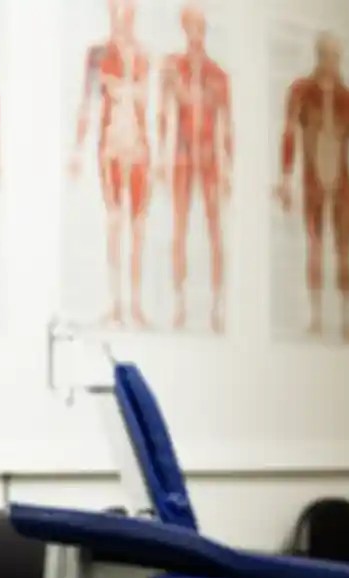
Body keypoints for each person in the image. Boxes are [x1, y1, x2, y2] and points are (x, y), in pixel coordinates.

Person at [69, 0, 152, 329]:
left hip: (139, 146)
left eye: (128, 11)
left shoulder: (144, 55)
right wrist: (76, 150)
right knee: (116, 223)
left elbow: (153, 105)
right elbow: (86, 103)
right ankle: (117, 304)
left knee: (138, 227)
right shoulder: (98, 55)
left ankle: (135, 304)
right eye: (118, 10)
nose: (123, 17)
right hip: (112, 146)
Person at [155, 3, 232, 334]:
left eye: (200, 28)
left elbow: (226, 125)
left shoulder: (218, 75)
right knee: (181, 228)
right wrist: (160, 156)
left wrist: (227, 165)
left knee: (215, 231)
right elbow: (163, 114)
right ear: (184, 29)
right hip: (184, 154)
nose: (196, 34)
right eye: (191, 27)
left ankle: (216, 306)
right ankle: (180, 304)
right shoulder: (173, 68)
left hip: (209, 157)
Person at [276, 31, 349, 341]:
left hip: (342, 180)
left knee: (344, 249)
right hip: (313, 181)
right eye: (326, 55)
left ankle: (346, 318)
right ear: (317, 56)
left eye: (336, 56)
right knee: (316, 246)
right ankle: (317, 317)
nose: (331, 62)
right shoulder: (301, 92)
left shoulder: (348, 98)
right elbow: (290, 134)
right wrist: (284, 179)